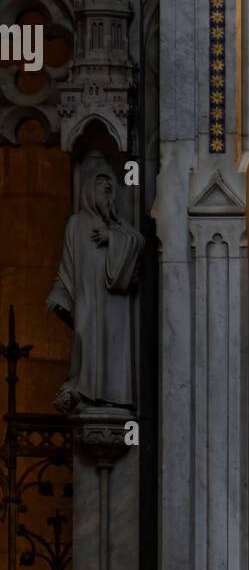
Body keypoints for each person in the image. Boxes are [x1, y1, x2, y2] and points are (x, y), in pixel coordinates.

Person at [47, 171, 144, 412]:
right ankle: (85, 392)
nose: (107, 194)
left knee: (113, 347)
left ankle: (115, 398)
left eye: (110, 189)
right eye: (102, 189)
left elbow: (138, 241)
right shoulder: (77, 223)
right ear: (90, 192)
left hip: (115, 305)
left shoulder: (117, 224)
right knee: (84, 334)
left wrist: (112, 237)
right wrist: (60, 293)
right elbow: (67, 263)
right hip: (87, 299)